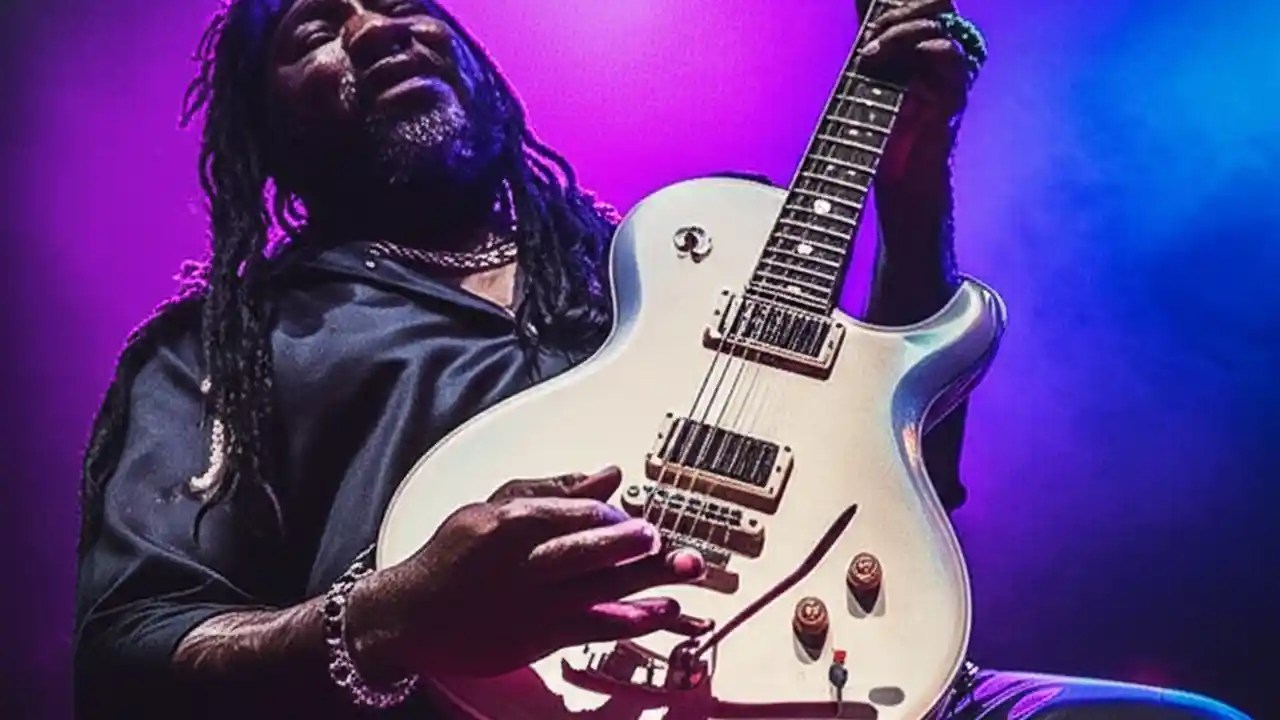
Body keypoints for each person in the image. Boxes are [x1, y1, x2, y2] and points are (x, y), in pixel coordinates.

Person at [72, 0, 1250, 718]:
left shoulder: (669, 261)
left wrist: (910, 189)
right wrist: (392, 619)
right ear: (261, 129)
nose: (382, 28)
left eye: (402, 2)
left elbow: (902, 475)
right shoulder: (212, 351)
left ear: (483, 68)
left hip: (838, 686)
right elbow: (130, 656)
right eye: (317, 29)